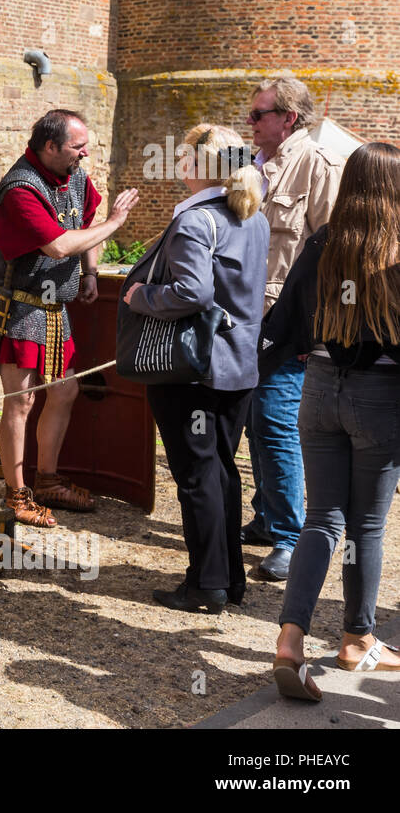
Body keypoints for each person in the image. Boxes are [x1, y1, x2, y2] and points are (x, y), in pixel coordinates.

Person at [263, 141, 400, 700]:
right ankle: (356, 637)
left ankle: (290, 641)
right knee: (365, 525)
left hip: (318, 391)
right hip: (380, 396)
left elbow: (283, 321)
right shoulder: (395, 249)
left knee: (321, 520)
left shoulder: (323, 243)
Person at [120, 124, 268, 613]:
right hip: (238, 363)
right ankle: (228, 579)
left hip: (192, 368)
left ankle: (206, 584)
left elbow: (192, 293)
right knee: (222, 470)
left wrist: (142, 296)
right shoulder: (252, 217)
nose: (178, 161)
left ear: (201, 165)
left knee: (197, 474)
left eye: (184, 154)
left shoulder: (194, 221)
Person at [0, 110, 138, 527]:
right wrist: (116, 223)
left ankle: (46, 479)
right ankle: (17, 494)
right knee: (20, 402)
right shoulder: (20, 189)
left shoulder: (75, 177)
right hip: (19, 308)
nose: (85, 153)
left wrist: (91, 272)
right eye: (77, 146)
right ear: (50, 146)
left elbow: (86, 228)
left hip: (54, 309)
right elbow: (60, 246)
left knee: (65, 393)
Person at [242, 77, 344, 581]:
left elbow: (335, 258)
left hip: (288, 327)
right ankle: (266, 518)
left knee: (277, 424)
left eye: (259, 114)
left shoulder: (321, 168)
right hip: (246, 319)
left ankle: (289, 535)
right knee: (254, 421)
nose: (250, 122)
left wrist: (314, 332)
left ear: (289, 119)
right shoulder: (253, 167)